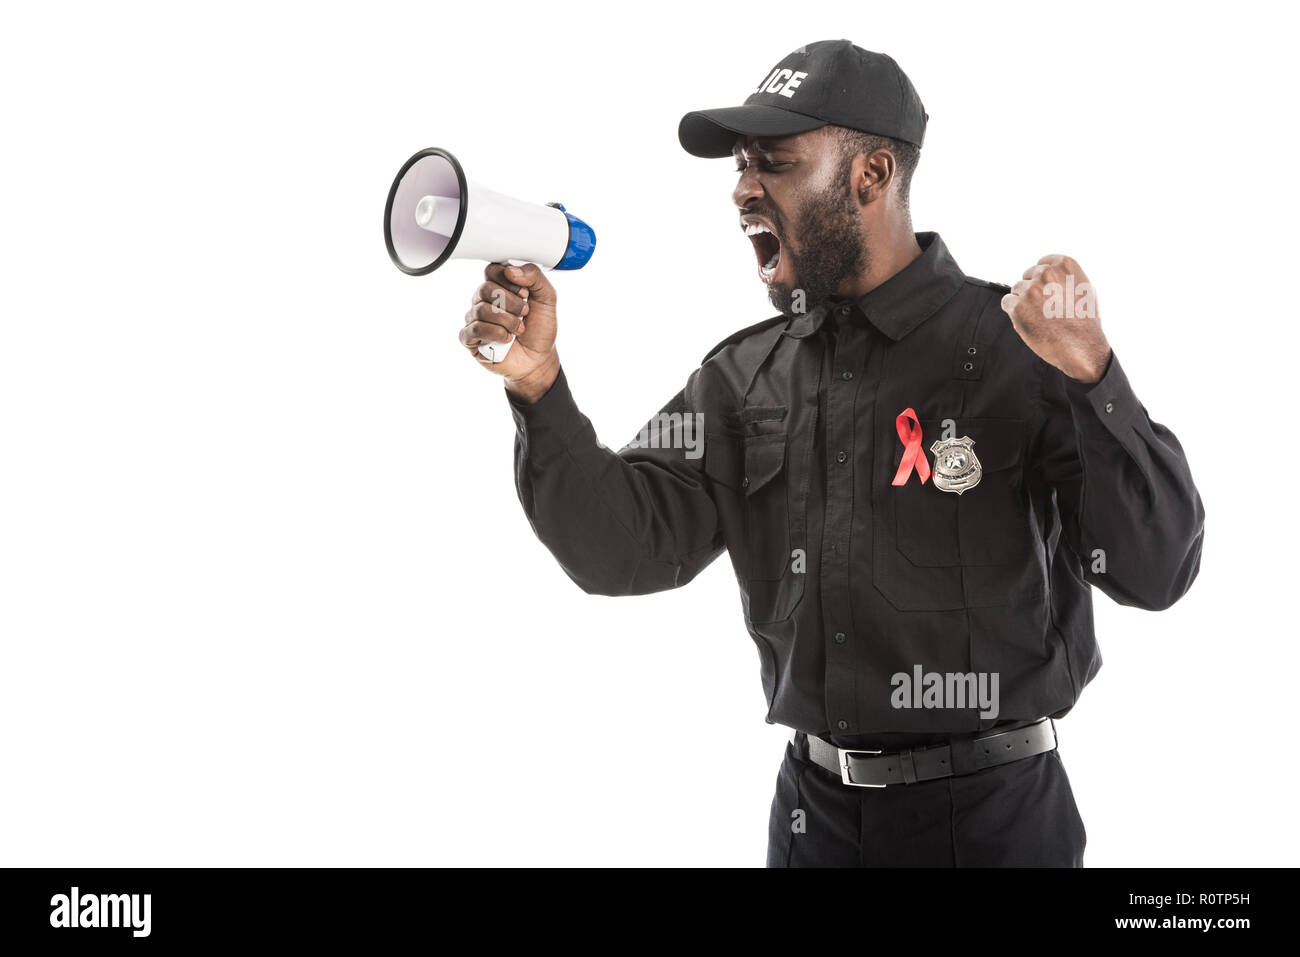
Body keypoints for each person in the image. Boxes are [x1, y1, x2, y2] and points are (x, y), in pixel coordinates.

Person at [458, 39, 1205, 867]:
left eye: (773, 162)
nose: (744, 188)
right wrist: (538, 386)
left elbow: (1156, 568)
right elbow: (621, 548)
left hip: (993, 826)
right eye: (740, 165)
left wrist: (1095, 375)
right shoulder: (741, 379)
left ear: (872, 175)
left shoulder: (1019, 346)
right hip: (812, 822)